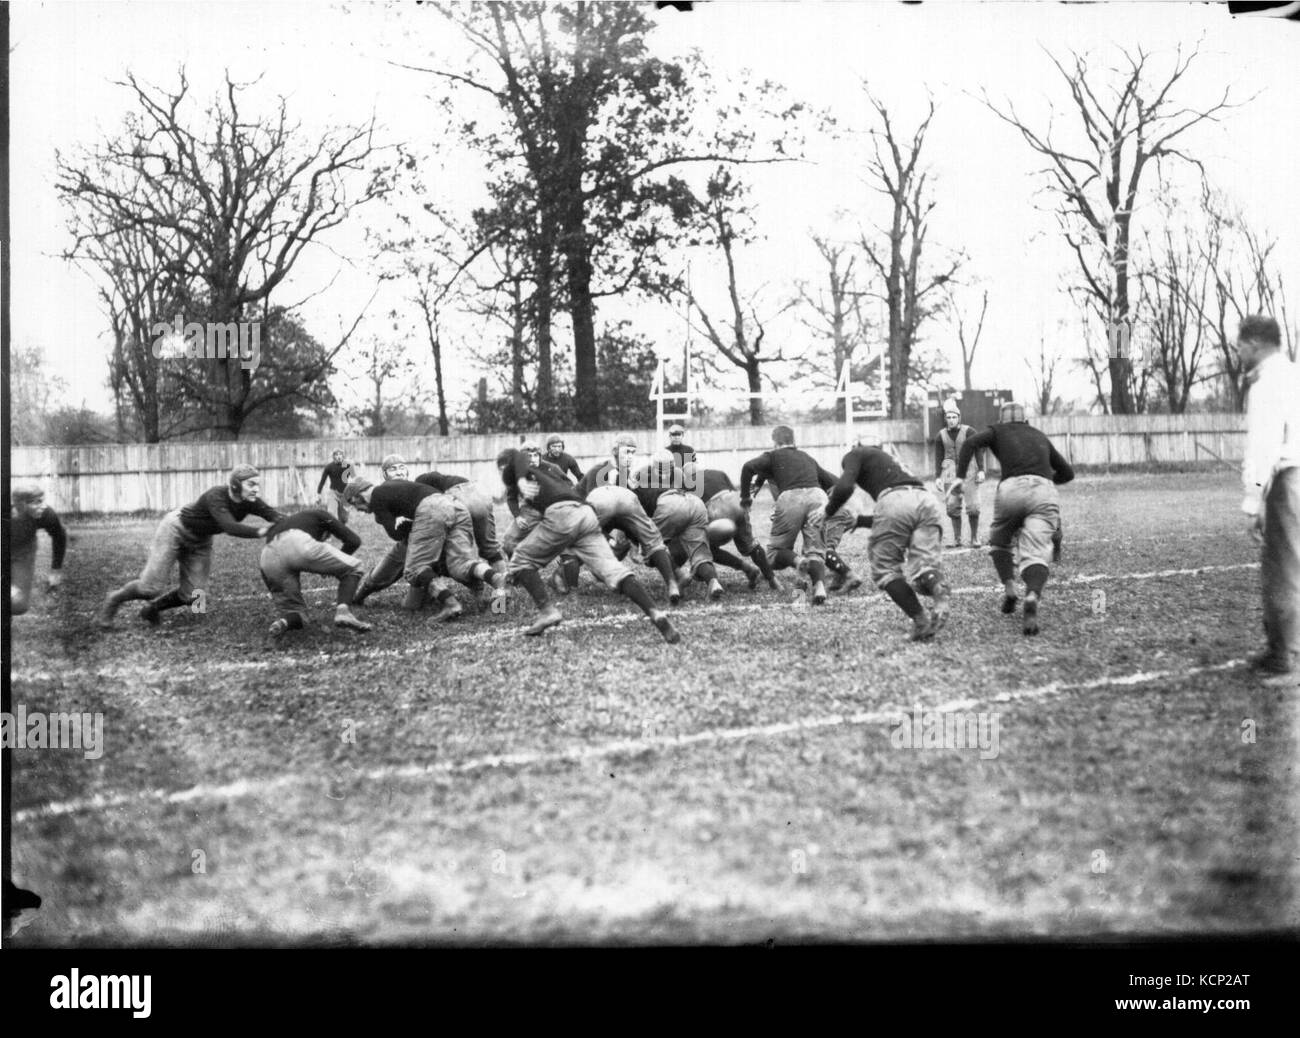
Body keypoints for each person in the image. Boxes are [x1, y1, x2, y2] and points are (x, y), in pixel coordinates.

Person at [497, 447, 680, 642]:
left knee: (520, 560)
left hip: (562, 514)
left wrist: (519, 479)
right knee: (614, 570)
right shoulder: (548, 470)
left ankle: (547, 611)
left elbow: (517, 460)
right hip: (585, 513)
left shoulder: (517, 469)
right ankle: (655, 613)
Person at [97, 465, 283, 629]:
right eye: (251, 484)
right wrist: (261, 532)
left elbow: (274, 515)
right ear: (235, 484)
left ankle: (152, 609)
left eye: (258, 484)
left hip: (201, 540)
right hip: (175, 529)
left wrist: (296, 524)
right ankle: (114, 599)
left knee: (194, 596)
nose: (256, 490)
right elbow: (230, 527)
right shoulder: (216, 495)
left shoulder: (251, 501)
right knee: (149, 589)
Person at [955, 401, 1074, 636]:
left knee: (1000, 541)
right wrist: (1045, 481)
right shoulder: (1038, 434)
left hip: (1011, 489)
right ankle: (1031, 595)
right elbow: (1067, 473)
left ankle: (1010, 587)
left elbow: (970, 442)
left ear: (1002, 420)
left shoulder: (997, 431)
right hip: (1044, 490)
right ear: (1026, 420)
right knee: (1036, 553)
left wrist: (959, 477)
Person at [822, 436, 950, 640]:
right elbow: (900, 512)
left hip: (894, 501)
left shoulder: (856, 454)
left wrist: (827, 512)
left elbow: (846, 488)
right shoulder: (893, 462)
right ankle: (939, 593)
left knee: (886, 570)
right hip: (926, 499)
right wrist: (861, 520)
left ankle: (921, 622)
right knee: (924, 569)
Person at [1237, 314, 1300, 685]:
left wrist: (1252, 501)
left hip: (1287, 478)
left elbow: (1264, 447)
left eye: (1241, 345)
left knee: (1282, 569)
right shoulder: (1293, 374)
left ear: (1256, 343)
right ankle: (1282, 649)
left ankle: (1286, 657)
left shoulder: (1267, 384)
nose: (1239, 352)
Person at [345, 476, 503, 622]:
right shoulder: (392, 487)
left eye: (354, 503)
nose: (358, 509)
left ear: (360, 494)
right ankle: (497, 579)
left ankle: (451, 604)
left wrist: (407, 527)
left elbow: (395, 534)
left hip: (432, 509)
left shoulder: (377, 496)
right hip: (455, 504)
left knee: (414, 569)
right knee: (460, 565)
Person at [739, 425, 838, 604]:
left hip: (791, 498)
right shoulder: (807, 457)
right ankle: (819, 587)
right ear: (794, 441)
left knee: (774, 553)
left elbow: (747, 467)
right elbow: (834, 483)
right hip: (817, 496)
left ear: (775, 442)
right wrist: (827, 506)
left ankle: (797, 561)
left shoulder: (772, 455)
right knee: (816, 550)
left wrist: (746, 497)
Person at [259, 508, 371, 638]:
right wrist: (337, 564)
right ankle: (343, 612)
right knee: (355, 567)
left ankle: (283, 622)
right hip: (296, 542)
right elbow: (354, 540)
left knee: (297, 613)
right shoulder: (322, 514)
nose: (325, 538)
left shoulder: (294, 520)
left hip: (267, 556)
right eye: (327, 536)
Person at [632, 450, 725, 600]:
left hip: (667, 506)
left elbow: (636, 513)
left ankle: (680, 575)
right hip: (693, 504)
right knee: (699, 553)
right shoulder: (678, 473)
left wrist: (634, 543)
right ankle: (713, 581)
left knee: (653, 549)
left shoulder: (640, 476)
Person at [696, 468, 779, 591]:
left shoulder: (686, 480)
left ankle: (746, 568)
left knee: (709, 549)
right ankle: (773, 580)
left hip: (716, 508)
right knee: (751, 545)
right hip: (735, 501)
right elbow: (735, 492)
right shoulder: (717, 472)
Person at [414, 469, 506, 578]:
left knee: (457, 558)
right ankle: (504, 581)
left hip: (458, 496)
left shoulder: (422, 484)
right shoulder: (446, 478)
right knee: (490, 547)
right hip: (479, 492)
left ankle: (475, 585)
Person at [933, 398, 986, 547]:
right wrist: (938, 477)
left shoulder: (969, 431)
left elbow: (978, 450)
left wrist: (981, 470)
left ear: (959, 418)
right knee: (952, 507)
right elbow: (938, 458)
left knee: (973, 507)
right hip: (949, 473)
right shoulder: (940, 436)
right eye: (948, 417)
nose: (951, 420)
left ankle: (974, 537)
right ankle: (957, 539)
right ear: (945, 419)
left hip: (969, 471)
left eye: (954, 417)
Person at [9, 483, 66, 615]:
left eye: (43, 500)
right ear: (21, 505)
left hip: (23, 552)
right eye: (37, 502)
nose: (43, 506)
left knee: (18, 604)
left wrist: (55, 570)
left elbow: (59, 536)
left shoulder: (45, 514)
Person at [316, 449, 355, 524]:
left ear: (343, 456)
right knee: (331, 513)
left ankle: (341, 528)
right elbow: (322, 481)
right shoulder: (329, 467)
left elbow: (354, 478)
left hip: (345, 494)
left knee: (344, 519)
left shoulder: (348, 465)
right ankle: (333, 529)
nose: (338, 456)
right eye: (336, 455)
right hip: (333, 493)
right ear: (333, 456)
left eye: (340, 454)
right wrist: (318, 494)